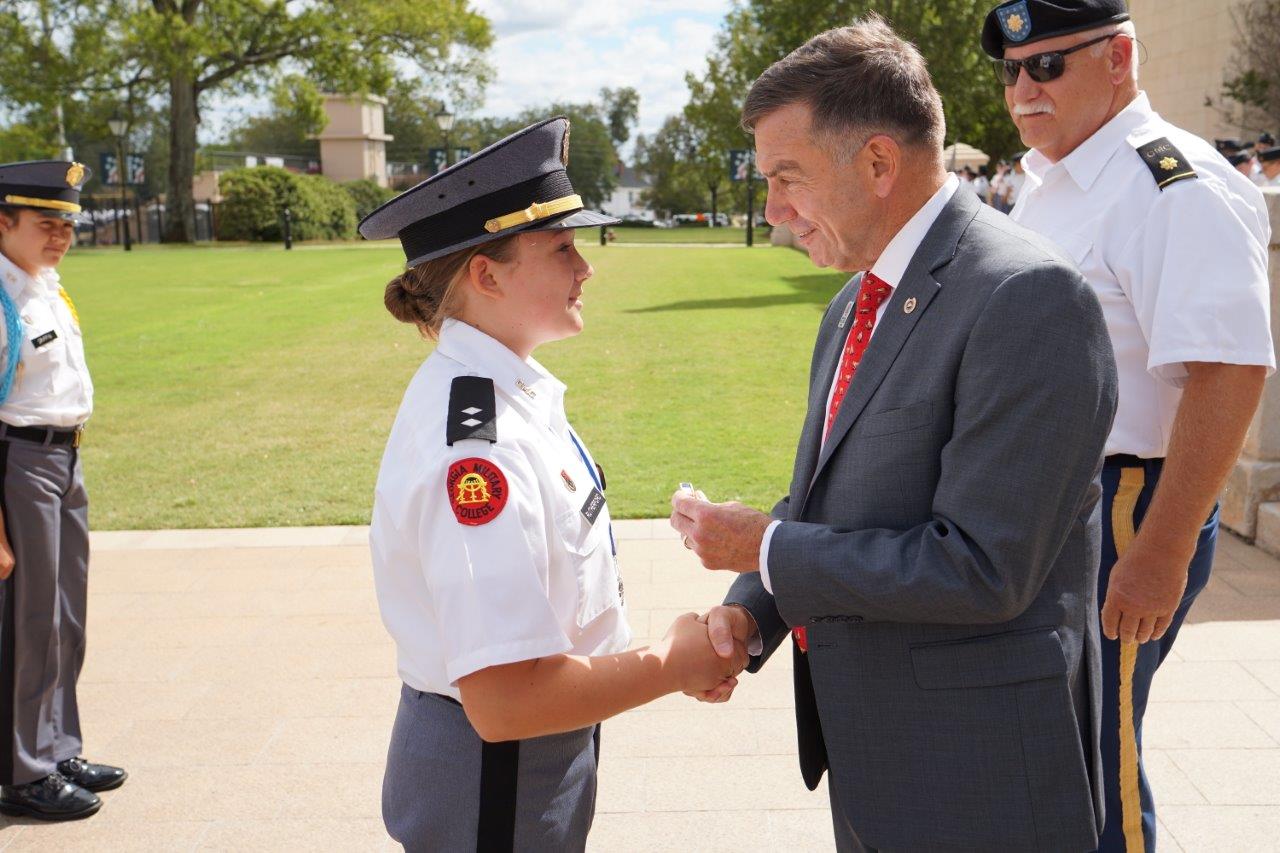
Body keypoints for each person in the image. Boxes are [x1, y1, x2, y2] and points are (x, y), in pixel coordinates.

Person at [670, 17, 1117, 851]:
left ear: (877, 162)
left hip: (977, 777)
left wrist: (766, 550)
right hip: (880, 763)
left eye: (787, 177)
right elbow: (837, 498)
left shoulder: (1029, 297)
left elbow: (982, 566)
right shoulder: (855, 300)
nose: (773, 209)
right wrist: (752, 613)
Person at [358, 118, 747, 851]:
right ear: (487, 274)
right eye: (562, 247)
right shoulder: (478, 450)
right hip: (496, 770)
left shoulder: (506, 392)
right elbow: (505, 700)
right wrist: (671, 664)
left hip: (526, 753)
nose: (586, 267)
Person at [983, 1, 1275, 850]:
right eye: (1011, 70)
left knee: (1097, 755)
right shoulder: (1059, 177)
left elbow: (1229, 372)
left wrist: (1161, 551)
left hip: (1127, 505)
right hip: (1059, 498)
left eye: (1047, 66)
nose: (1023, 90)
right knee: (1056, 741)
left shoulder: (1169, 183)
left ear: (1119, 58)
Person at [0, 160, 126, 821]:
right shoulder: (0, 297)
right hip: (19, 462)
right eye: (46, 225)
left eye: (68, 226)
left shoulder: (45, 286)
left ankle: (56, 745)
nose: (61, 237)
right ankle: (23, 771)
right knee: (29, 621)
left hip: (64, 458)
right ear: (3, 221)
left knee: (64, 615)